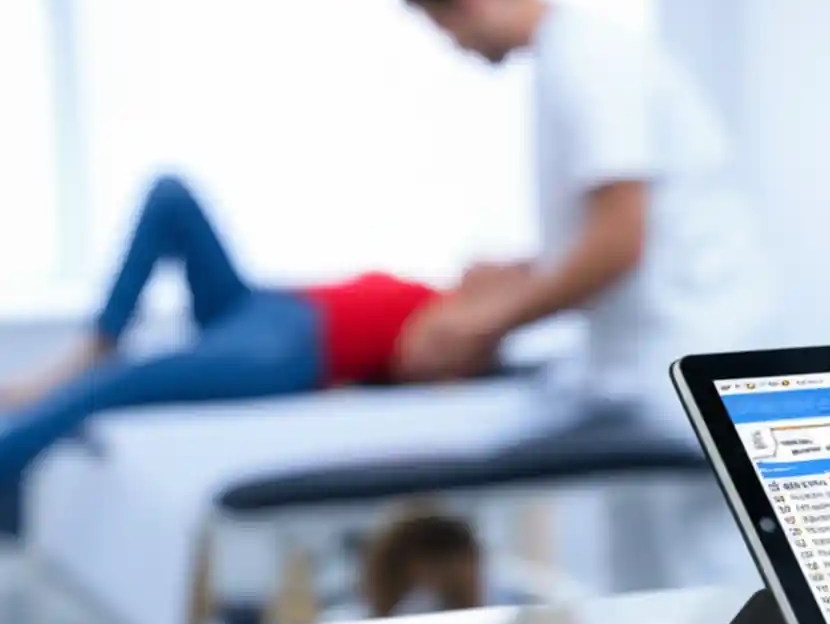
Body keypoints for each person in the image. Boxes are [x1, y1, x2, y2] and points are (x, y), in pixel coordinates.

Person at [399, 0, 774, 435]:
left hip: (681, 356)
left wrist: (485, 325)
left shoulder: (586, 60)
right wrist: (515, 275)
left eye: (446, 29)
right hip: (658, 355)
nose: (457, 47)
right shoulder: (572, 53)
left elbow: (618, 243)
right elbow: (624, 230)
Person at [0, 175, 510, 485]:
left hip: (284, 349)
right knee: (170, 193)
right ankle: (99, 340)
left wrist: (484, 315)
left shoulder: (469, 325)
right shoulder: (443, 297)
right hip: (261, 306)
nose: (492, 258)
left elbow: (420, 365)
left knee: (122, 382)